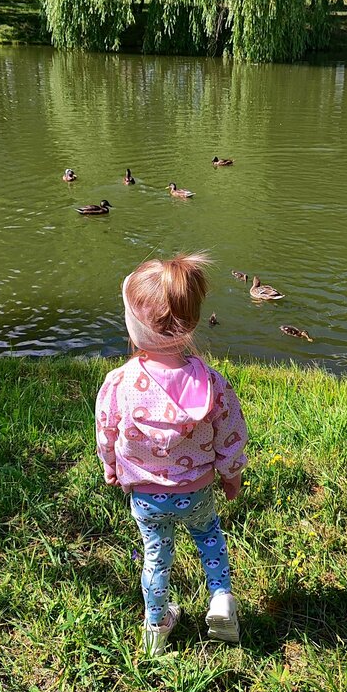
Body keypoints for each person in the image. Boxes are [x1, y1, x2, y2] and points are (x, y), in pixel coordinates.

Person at [95, 252, 248, 655]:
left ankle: (156, 627)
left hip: (147, 497)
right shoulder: (212, 383)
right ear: (193, 323)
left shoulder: (117, 383)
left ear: (134, 326)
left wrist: (111, 467)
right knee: (209, 538)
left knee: (156, 557)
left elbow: (106, 433)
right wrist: (231, 475)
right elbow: (231, 435)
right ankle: (220, 599)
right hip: (196, 491)